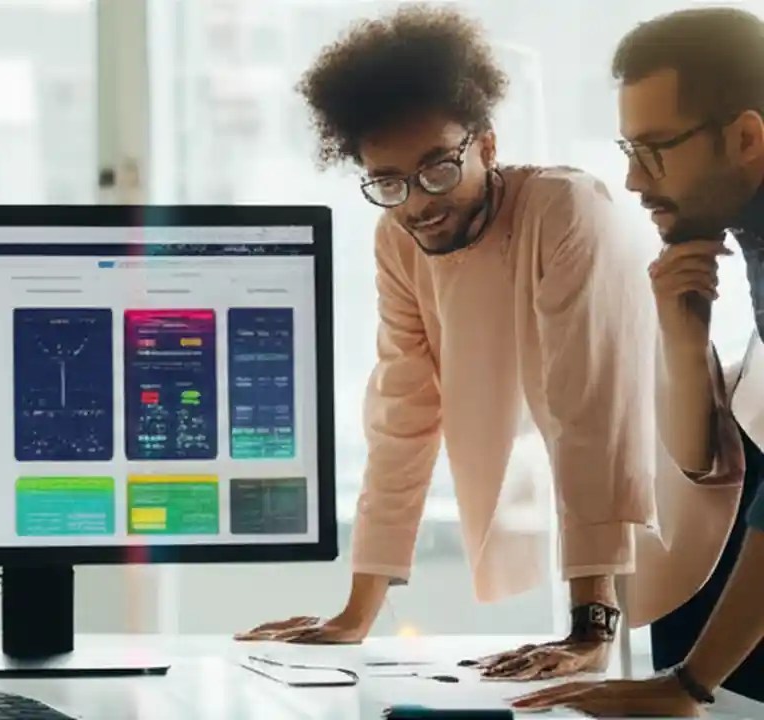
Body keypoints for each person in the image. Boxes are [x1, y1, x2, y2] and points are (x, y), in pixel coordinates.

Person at [235, 5, 746, 681]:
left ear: (488, 145)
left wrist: (589, 622)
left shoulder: (566, 209)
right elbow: (402, 417)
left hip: (690, 502)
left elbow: (587, 412)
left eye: (439, 167)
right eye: (388, 182)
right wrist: (356, 612)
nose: (419, 202)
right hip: (600, 529)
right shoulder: (399, 240)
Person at [514, 8, 764, 716]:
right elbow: (701, 465)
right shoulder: (737, 232)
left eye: (655, 150)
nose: (629, 180)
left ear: (746, 138)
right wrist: (683, 338)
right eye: (629, 148)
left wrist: (688, 686)